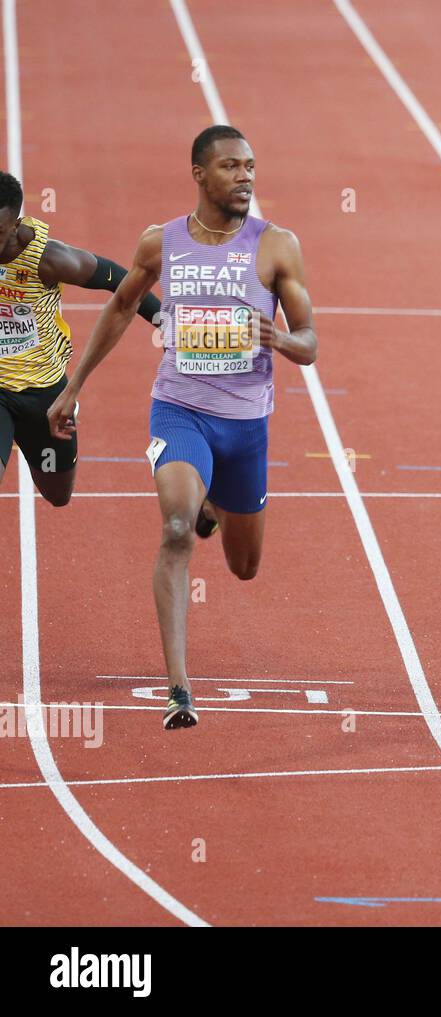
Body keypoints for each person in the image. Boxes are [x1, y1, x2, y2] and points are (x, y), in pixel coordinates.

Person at [48, 126, 318, 730]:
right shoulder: (160, 243)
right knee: (174, 530)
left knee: (244, 567)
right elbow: (121, 307)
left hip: (246, 424)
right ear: (200, 174)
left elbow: (311, 341)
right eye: (230, 167)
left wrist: (282, 340)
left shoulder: (277, 247)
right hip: (179, 408)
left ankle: (215, 505)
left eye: (250, 166)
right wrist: (73, 386)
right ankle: (180, 689)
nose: (245, 177)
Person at [0, 169, 161, 503]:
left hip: (43, 389)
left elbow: (121, 280)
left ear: (15, 226)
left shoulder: (49, 259)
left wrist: (167, 322)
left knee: (58, 495)